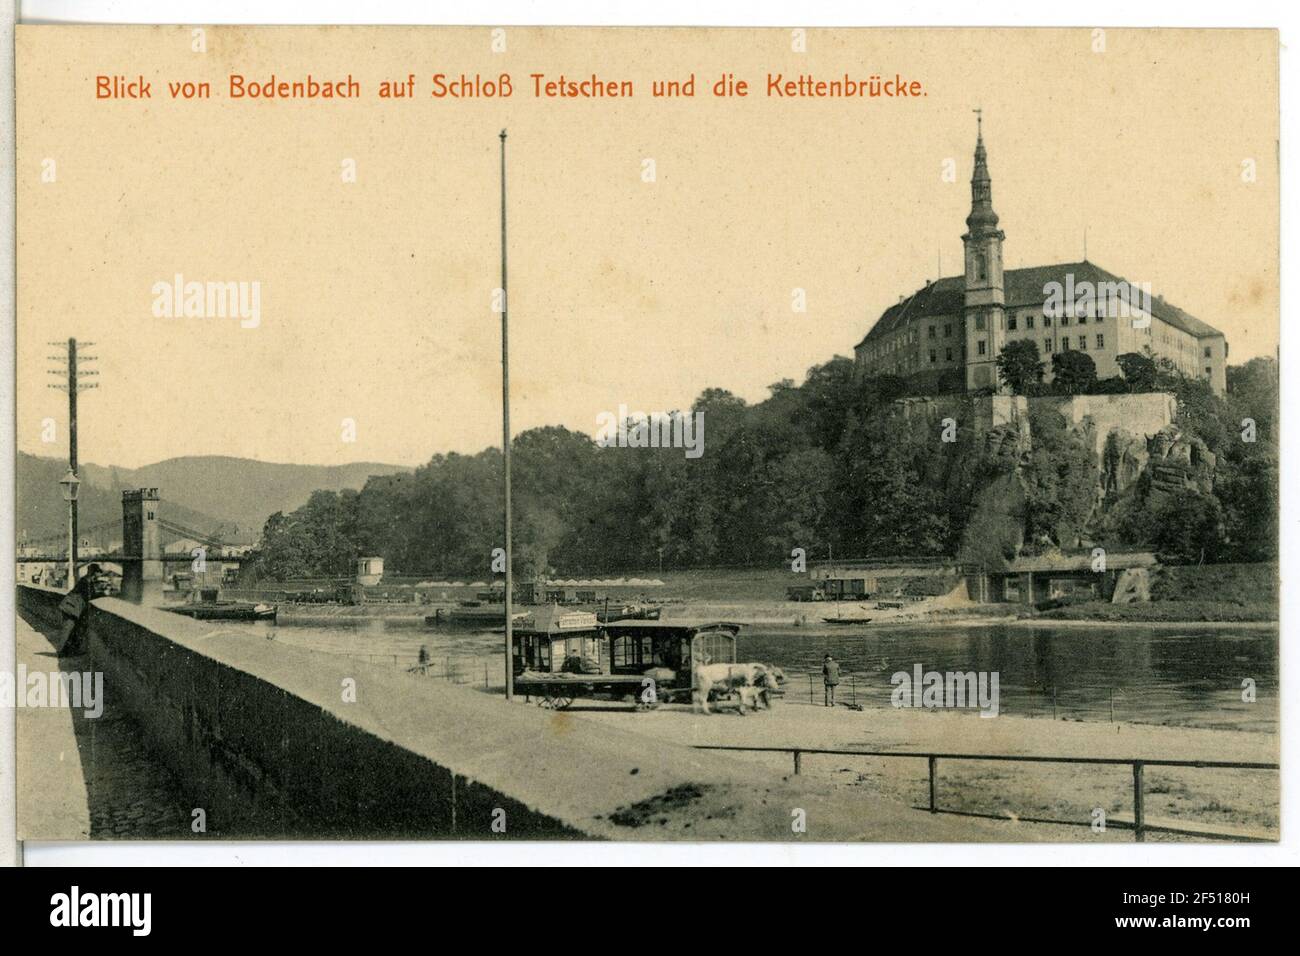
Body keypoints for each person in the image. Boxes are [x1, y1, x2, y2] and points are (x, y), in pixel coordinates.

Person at [58, 563, 104, 656]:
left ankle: (70, 651)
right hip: (70, 608)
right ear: (94, 573)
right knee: (68, 630)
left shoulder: (86, 580)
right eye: (98, 572)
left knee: (73, 630)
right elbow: (90, 595)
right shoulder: (86, 582)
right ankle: (62, 652)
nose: (99, 575)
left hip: (72, 608)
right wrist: (103, 594)